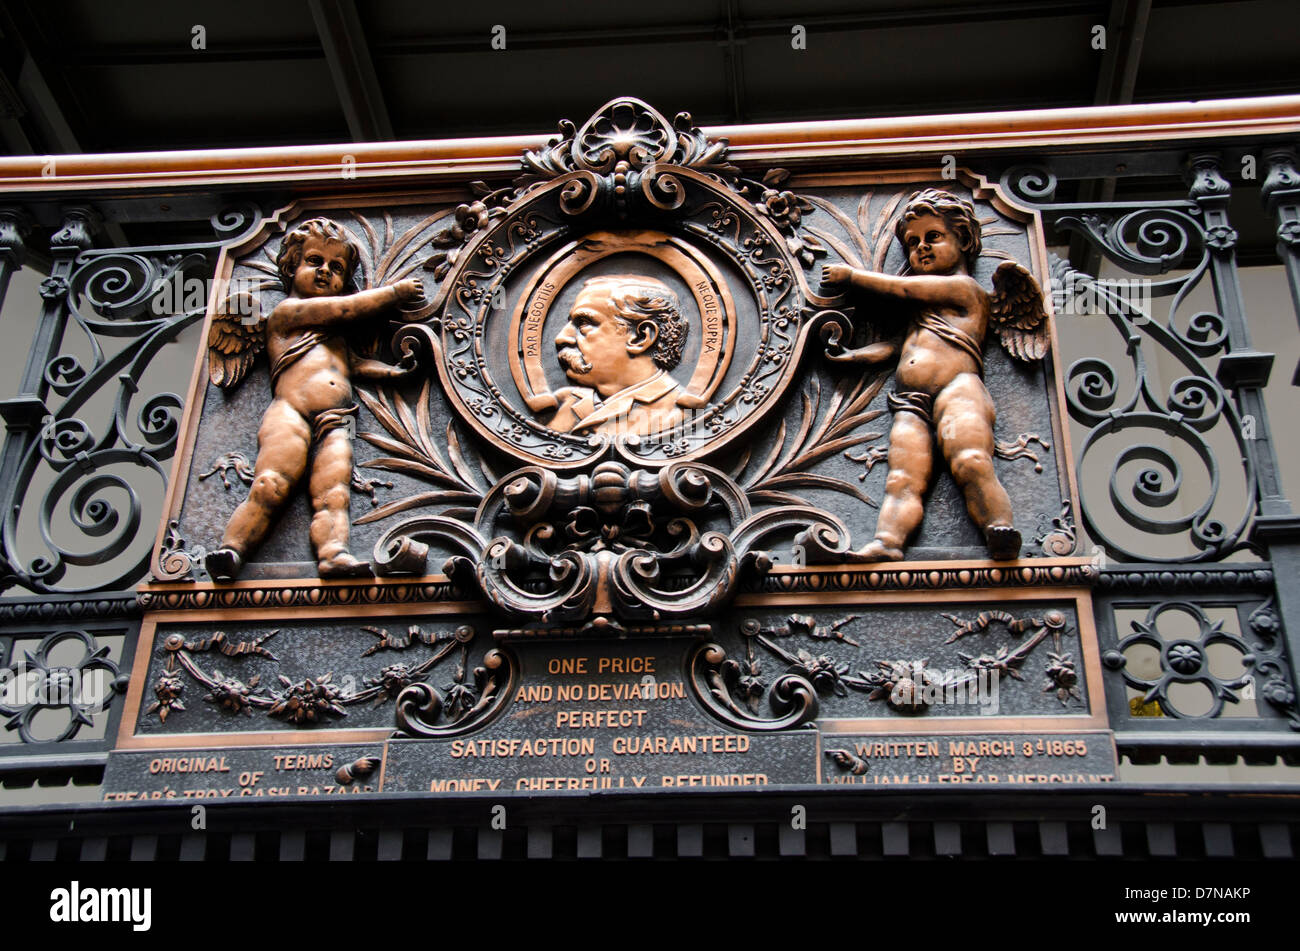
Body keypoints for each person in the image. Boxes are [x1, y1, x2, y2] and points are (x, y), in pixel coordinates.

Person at [820, 188, 1048, 562]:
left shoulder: (965, 289)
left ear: (964, 240)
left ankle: (998, 528)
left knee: (971, 460)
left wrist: (851, 276)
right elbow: (900, 347)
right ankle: (888, 542)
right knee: (901, 479)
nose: (921, 248)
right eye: (912, 243)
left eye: (933, 237)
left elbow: (902, 287)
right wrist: (855, 355)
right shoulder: (924, 308)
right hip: (910, 402)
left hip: (958, 390)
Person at [204, 217, 423, 581]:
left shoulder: (331, 333)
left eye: (336, 268)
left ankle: (333, 554)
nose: (325, 272)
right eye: (315, 261)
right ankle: (232, 549)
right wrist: (395, 293)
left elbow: (350, 365)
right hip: (291, 413)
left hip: (339, 419)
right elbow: (347, 310)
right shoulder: (287, 313)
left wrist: (393, 373)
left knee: (334, 493)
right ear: (291, 268)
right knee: (270, 484)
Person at [548, 274, 689, 437]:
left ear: (640, 337)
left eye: (584, 323)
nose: (561, 337)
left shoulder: (683, 415)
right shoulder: (567, 402)